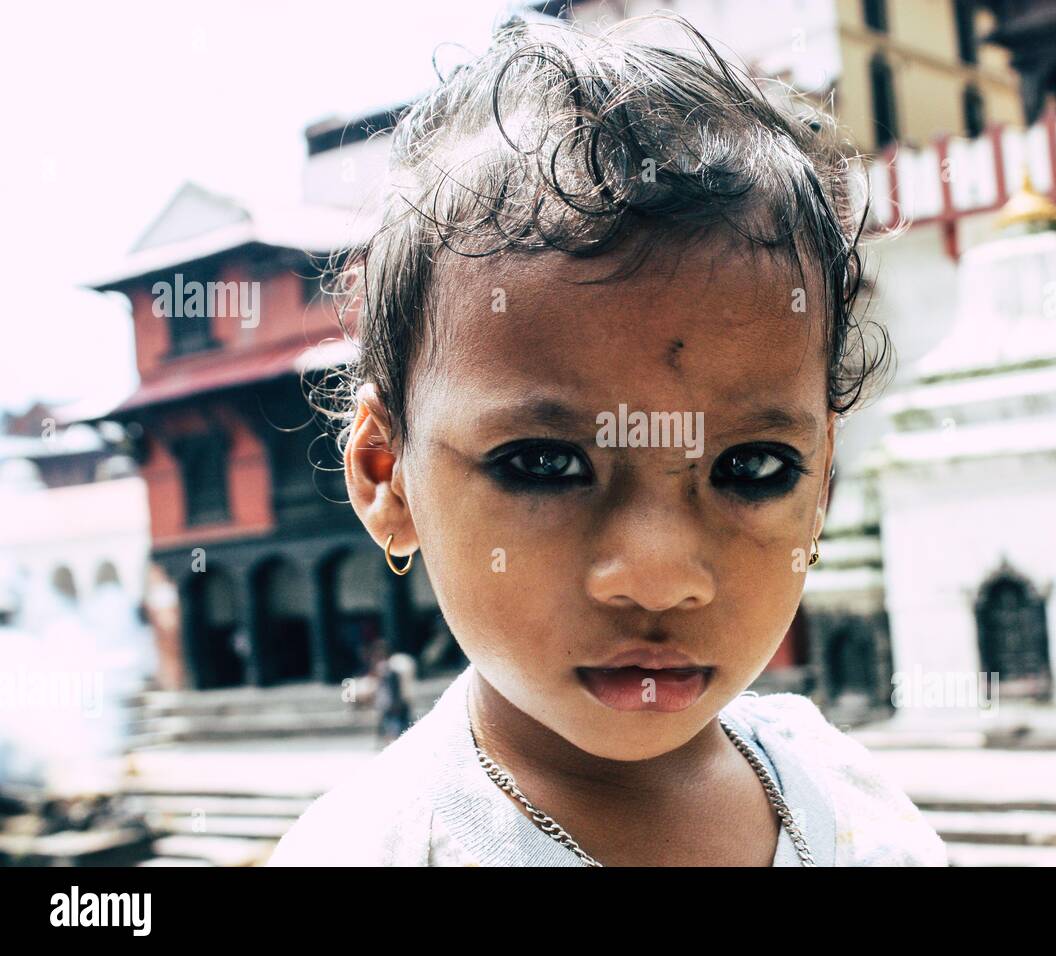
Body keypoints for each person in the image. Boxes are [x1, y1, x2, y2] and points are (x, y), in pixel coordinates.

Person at [269, 13, 944, 867]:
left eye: (753, 468)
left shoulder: (853, 799)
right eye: (545, 464)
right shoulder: (368, 853)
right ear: (385, 476)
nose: (660, 575)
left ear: (824, 489)